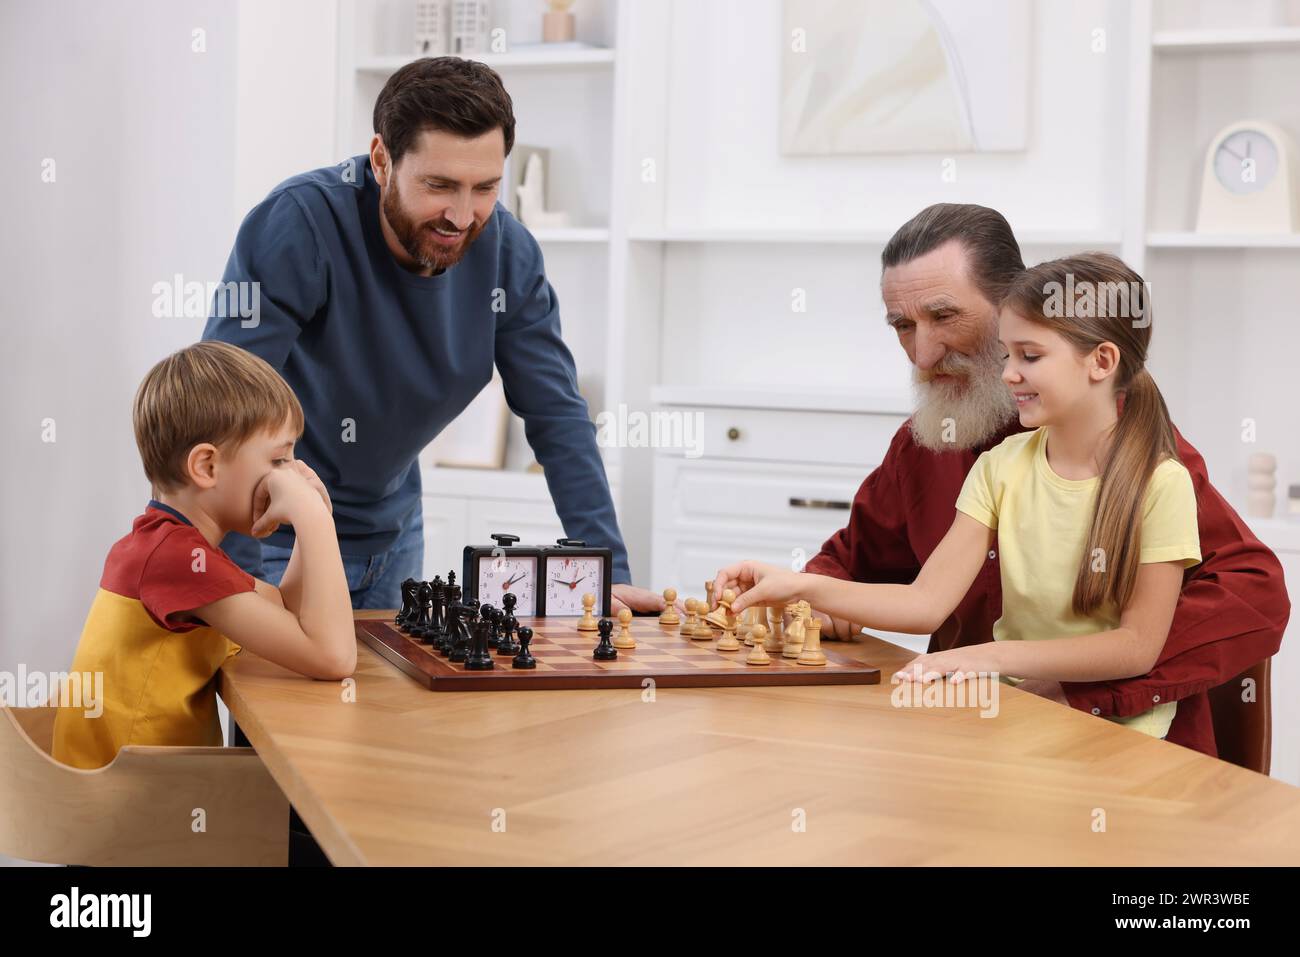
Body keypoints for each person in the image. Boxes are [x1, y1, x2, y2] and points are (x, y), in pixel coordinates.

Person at [714, 204, 1288, 757]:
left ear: (1011, 304)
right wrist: (807, 592)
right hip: (973, 738)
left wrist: (1084, 688)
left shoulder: (1141, 457)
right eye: (902, 326)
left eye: (944, 317)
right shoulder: (929, 445)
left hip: (1117, 752)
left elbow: (1253, 590)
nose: (922, 354)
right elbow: (863, 567)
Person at [202, 56, 663, 615]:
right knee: (285, 701)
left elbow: (557, 415)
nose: (463, 215)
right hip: (278, 538)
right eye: (439, 185)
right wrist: (235, 580)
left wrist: (605, 569)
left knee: (388, 705)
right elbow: (222, 407)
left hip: (395, 531)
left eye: (485, 187)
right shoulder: (298, 224)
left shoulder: (509, 254)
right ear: (381, 161)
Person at [52, 342, 354, 769]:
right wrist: (315, 520)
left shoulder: (175, 546)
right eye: (279, 459)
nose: (290, 475)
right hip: (128, 810)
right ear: (207, 467)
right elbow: (333, 657)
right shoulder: (174, 558)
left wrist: (313, 516)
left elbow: (286, 613)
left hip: (147, 795)